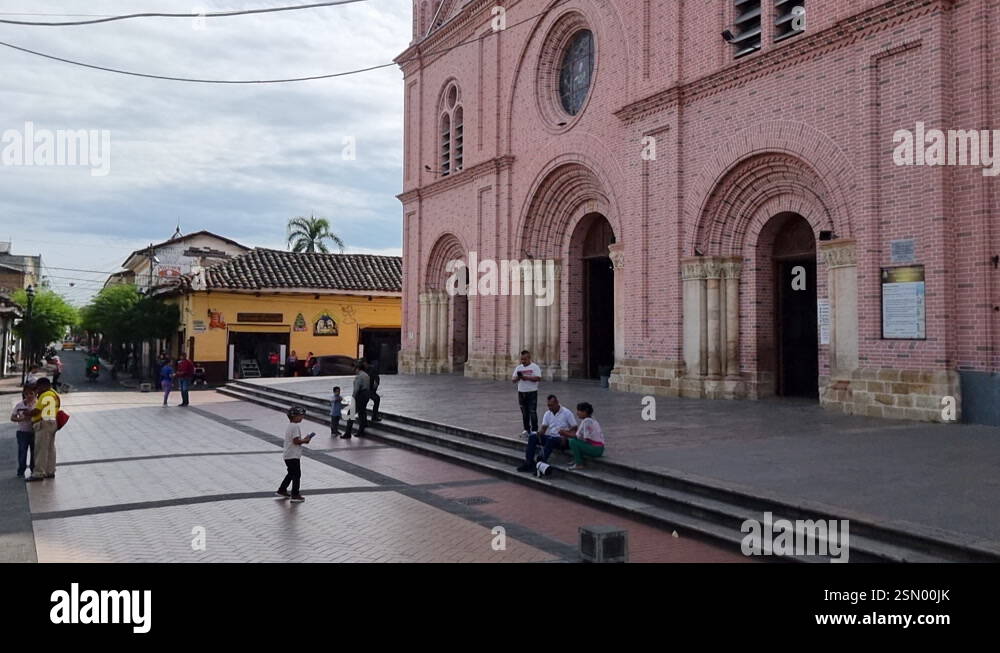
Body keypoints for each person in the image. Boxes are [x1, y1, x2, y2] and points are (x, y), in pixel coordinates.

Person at [517, 394, 577, 473]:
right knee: (533, 437)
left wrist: (566, 434)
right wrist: (538, 433)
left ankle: (541, 464)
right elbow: (543, 429)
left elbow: (575, 428)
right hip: (551, 438)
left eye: (551, 405)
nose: (550, 408)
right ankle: (529, 462)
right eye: (548, 405)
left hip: (563, 439)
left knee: (551, 439)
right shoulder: (548, 413)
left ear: (557, 403)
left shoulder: (567, 413)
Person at [276, 406, 315, 503]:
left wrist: (304, 440)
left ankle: (282, 490)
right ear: (294, 416)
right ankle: (295, 494)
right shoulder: (295, 426)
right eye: (301, 416)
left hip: (288, 455)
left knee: (291, 473)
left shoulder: (291, 426)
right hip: (293, 455)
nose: (302, 417)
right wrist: (305, 440)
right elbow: (296, 440)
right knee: (297, 474)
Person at [25, 378, 60, 482]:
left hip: (43, 424)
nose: (37, 391)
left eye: (38, 388)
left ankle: (38, 473)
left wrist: (28, 413)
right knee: (49, 448)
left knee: (41, 449)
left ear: (43, 386)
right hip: (52, 422)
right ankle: (50, 471)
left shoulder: (45, 395)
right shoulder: (54, 393)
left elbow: (37, 411)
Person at [564, 402, 605, 470]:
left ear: (585, 412)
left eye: (579, 411)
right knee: (575, 441)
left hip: (596, 449)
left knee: (572, 442)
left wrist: (565, 433)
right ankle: (577, 459)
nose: (577, 413)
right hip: (600, 449)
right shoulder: (591, 419)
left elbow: (584, 438)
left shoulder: (587, 421)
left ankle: (579, 464)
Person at [511, 350, 541, 438]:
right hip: (521, 392)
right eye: (521, 359)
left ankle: (535, 430)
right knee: (524, 412)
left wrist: (526, 377)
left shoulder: (535, 367)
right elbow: (513, 380)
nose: (523, 361)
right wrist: (518, 377)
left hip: (532, 392)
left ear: (529, 358)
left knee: (532, 411)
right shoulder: (518, 368)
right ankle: (526, 429)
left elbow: (538, 378)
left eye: (524, 359)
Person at [11, 387, 36, 478]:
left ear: (35, 394)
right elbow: (12, 417)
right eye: (26, 394)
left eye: (31, 393)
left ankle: (33, 469)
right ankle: (21, 469)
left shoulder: (37, 404)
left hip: (34, 432)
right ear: (24, 395)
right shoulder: (19, 405)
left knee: (34, 452)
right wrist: (20, 419)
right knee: (22, 451)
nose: (29, 396)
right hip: (22, 432)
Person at [342, 360, 370, 439]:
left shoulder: (359, 377)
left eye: (355, 369)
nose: (354, 371)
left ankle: (348, 433)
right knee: (362, 412)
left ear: (358, 368)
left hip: (360, 395)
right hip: (366, 394)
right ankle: (361, 431)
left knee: (350, 413)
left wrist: (353, 398)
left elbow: (356, 389)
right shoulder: (366, 375)